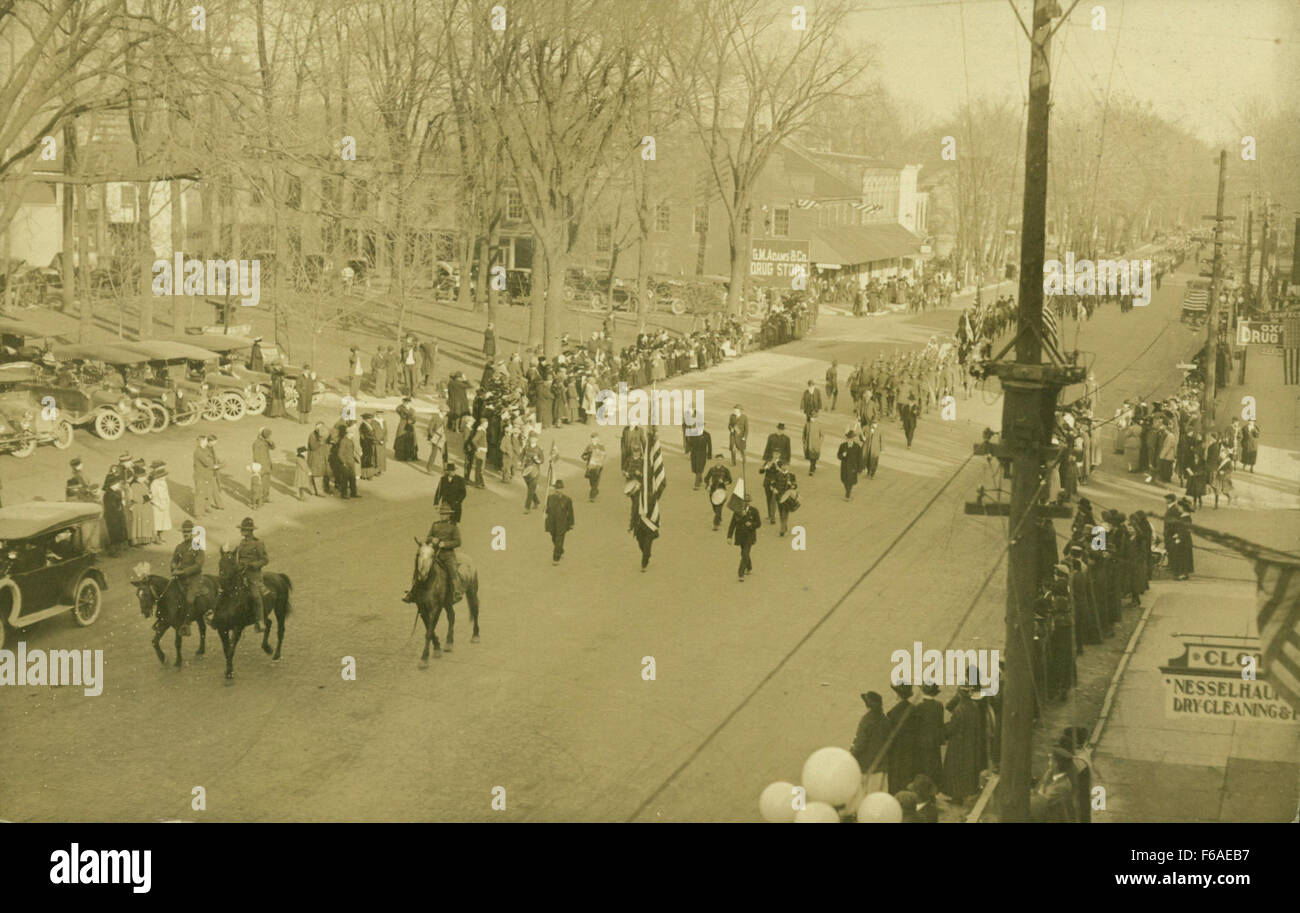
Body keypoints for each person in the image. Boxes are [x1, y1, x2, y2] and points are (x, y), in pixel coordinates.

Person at [943, 686, 986, 803]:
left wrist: (943, 730)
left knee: (956, 770)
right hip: (971, 743)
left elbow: (952, 728)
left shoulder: (959, 709)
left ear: (959, 695)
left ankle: (957, 796)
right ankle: (967, 792)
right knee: (967, 769)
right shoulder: (974, 706)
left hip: (958, 744)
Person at [169, 519, 205, 638]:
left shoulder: (198, 547)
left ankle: (186, 624)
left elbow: (198, 565)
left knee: (190, 599)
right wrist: (174, 567)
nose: (185, 534)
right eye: (184, 532)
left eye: (188, 532)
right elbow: (174, 560)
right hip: (180, 577)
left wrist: (183, 572)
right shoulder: (179, 547)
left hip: (193, 577)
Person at [850, 691, 891, 793]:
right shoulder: (885, 720)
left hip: (866, 766)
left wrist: (851, 754)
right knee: (879, 793)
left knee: (865, 794)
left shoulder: (866, 720)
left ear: (867, 705)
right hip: (881, 764)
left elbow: (860, 744)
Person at [235, 517, 269, 632]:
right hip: (240, 573)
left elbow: (265, 559)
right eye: (242, 529)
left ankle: (260, 621)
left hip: (253, 574)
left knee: (255, 596)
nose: (242, 531)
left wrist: (254, 565)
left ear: (250, 531)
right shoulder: (241, 543)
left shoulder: (258, 543)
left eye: (244, 529)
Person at [886, 683, 918, 793]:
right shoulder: (914, 709)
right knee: (908, 775)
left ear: (898, 695)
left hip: (896, 751)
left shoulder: (892, 713)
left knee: (895, 777)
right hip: (911, 749)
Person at [913, 683, 945, 785]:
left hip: (922, 742)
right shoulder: (939, 706)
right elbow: (940, 724)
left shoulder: (920, 707)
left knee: (924, 767)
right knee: (934, 765)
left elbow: (916, 726)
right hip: (935, 741)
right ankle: (934, 786)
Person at [727, 491, 761, 582]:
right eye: (744, 501)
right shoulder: (737, 512)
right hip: (740, 536)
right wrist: (729, 537)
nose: (745, 503)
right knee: (744, 553)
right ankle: (749, 567)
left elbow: (758, 524)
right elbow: (732, 525)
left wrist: (751, 525)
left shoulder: (754, 511)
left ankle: (740, 574)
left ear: (749, 502)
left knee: (745, 554)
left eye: (747, 501)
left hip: (749, 536)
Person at [544, 479, 575, 565]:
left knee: (559, 540)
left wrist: (571, 523)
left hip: (562, 523)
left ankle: (556, 558)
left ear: (563, 489)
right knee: (554, 539)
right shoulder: (550, 498)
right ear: (555, 489)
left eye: (560, 488)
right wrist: (545, 511)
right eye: (557, 488)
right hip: (552, 522)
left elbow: (570, 512)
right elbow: (547, 510)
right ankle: (560, 550)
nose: (558, 490)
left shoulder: (567, 499)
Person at [193, 435, 222, 516]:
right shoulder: (198, 452)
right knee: (200, 494)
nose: (207, 442)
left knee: (207, 492)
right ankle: (198, 513)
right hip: (200, 475)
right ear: (201, 442)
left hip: (206, 474)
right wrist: (218, 465)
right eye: (206, 441)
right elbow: (207, 462)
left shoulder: (204, 450)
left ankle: (204, 508)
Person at [704, 454, 732, 530]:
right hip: (713, 491)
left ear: (723, 461)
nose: (719, 461)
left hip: (722, 491)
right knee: (714, 507)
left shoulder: (725, 470)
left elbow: (730, 480)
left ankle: (716, 524)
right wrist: (708, 485)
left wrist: (723, 482)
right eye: (717, 460)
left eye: (720, 460)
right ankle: (719, 517)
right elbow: (706, 479)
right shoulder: (712, 469)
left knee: (718, 507)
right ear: (715, 461)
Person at [521, 435, 544, 513]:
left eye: (534, 438)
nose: (532, 440)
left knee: (530, 490)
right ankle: (536, 501)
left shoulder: (539, 449)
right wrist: (519, 461)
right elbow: (521, 456)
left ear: (537, 439)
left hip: (535, 471)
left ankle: (527, 508)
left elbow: (542, 460)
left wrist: (537, 459)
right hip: (526, 470)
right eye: (531, 438)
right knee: (530, 489)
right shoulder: (526, 447)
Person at [837, 431, 863, 500]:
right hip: (844, 467)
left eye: (851, 439)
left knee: (851, 481)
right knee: (844, 480)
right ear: (847, 439)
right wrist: (842, 455)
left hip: (853, 467)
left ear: (854, 439)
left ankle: (848, 494)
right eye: (848, 439)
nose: (850, 440)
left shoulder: (857, 447)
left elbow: (860, 458)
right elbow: (838, 456)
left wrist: (860, 468)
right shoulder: (842, 446)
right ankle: (847, 491)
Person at [336, 423, 359, 498]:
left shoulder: (349, 440)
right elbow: (340, 454)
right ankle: (344, 494)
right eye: (352, 433)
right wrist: (343, 462)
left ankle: (353, 493)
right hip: (346, 463)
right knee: (345, 479)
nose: (353, 435)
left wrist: (354, 458)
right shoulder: (343, 441)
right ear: (348, 433)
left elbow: (351, 451)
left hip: (351, 462)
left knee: (352, 478)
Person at [580, 433, 606, 501]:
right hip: (590, 467)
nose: (593, 440)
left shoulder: (601, 446)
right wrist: (588, 456)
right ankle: (595, 490)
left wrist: (600, 455)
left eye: (595, 438)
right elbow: (583, 456)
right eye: (592, 439)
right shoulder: (589, 446)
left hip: (598, 467)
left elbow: (604, 456)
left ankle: (592, 496)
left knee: (595, 481)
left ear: (598, 439)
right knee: (591, 482)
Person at [687, 422, 712, 489]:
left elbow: (709, 445)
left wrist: (709, 455)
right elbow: (689, 444)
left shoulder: (707, 435)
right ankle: (700, 479)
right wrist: (689, 452)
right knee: (695, 469)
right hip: (694, 454)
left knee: (699, 469)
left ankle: (696, 485)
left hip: (702, 454)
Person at [306, 423, 329, 495]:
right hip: (314, 458)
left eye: (321, 427)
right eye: (318, 427)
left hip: (320, 458)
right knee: (317, 475)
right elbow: (313, 447)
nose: (320, 429)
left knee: (315, 474)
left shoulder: (323, 435)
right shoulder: (312, 435)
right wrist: (320, 442)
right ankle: (319, 492)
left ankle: (313, 490)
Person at [252, 428, 274, 500]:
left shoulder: (265, 441)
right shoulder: (257, 443)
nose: (270, 437)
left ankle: (266, 496)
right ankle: (260, 498)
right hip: (261, 466)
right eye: (269, 436)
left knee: (267, 482)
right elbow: (256, 457)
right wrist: (258, 467)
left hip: (267, 465)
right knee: (261, 483)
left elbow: (273, 447)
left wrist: (270, 441)